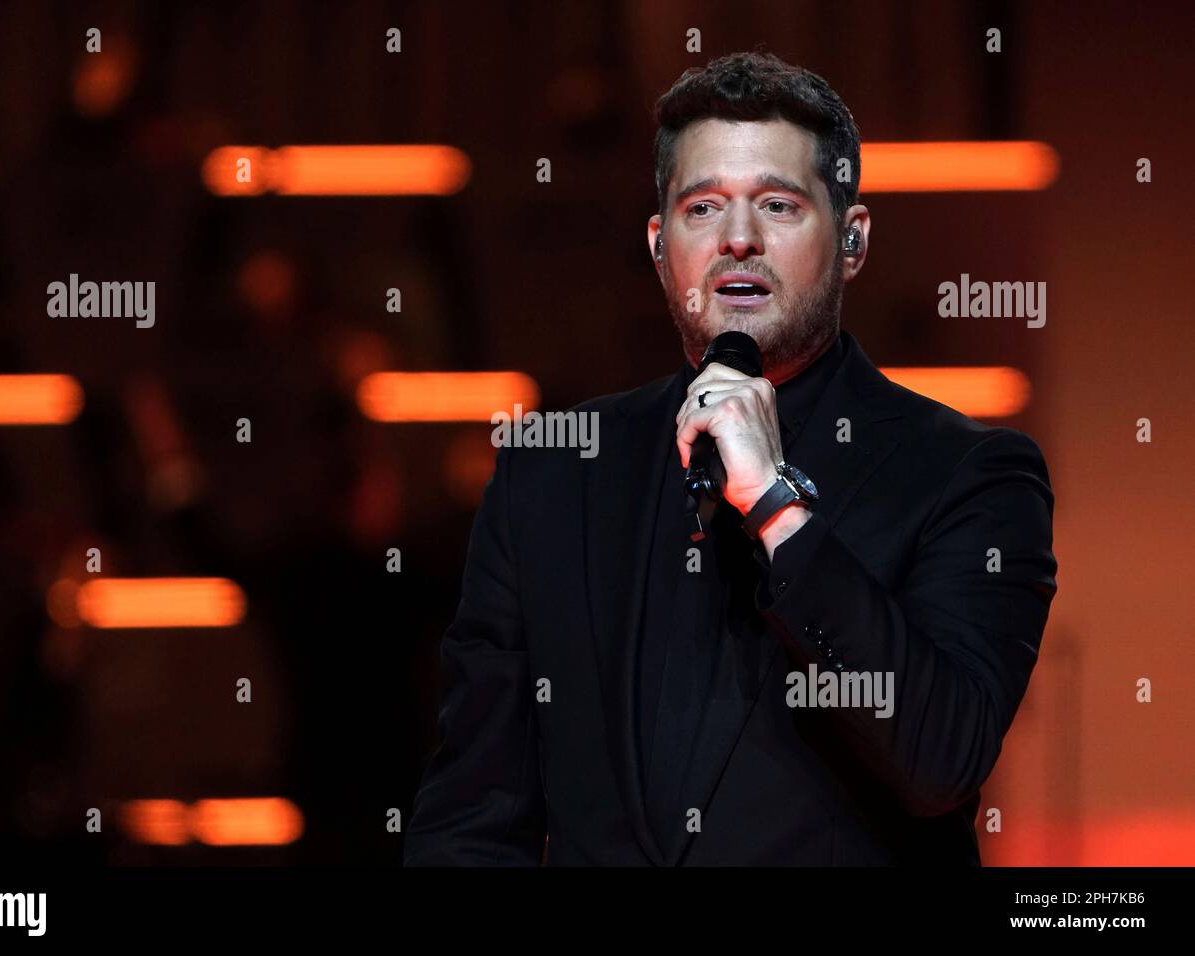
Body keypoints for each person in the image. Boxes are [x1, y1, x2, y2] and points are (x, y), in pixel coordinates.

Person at [404, 50, 1057, 866]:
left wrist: (779, 507)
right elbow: (470, 821)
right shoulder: (552, 471)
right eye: (703, 207)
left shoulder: (970, 474)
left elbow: (939, 759)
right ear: (658, 244)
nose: (738, 239)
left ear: (852, 240)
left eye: (778, 206)